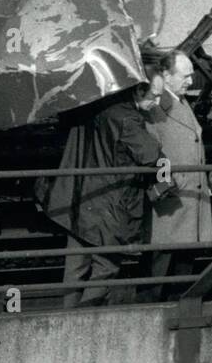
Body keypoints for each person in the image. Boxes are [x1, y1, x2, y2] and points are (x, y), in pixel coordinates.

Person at [38, 85, 163, 307]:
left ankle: (66, 318)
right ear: (137, 92)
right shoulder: (128, 119)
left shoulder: (95, 105)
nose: (159, 101)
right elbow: (151, 155)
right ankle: (84, 319)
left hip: (80, 198)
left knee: (75, 267)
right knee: (107, 267)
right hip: (111, 203)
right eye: (155, 95)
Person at [143, 50, 212, 300]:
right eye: (185, 76)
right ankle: (153, 320)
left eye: (192, 76)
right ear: (166, 75)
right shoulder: (156, 107)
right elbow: (152, 150)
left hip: (188, 199)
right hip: (172, 202)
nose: (191, 81)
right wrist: (166, 183)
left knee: (182, 270)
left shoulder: (180, 102)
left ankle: (177, 318)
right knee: (161, 271)